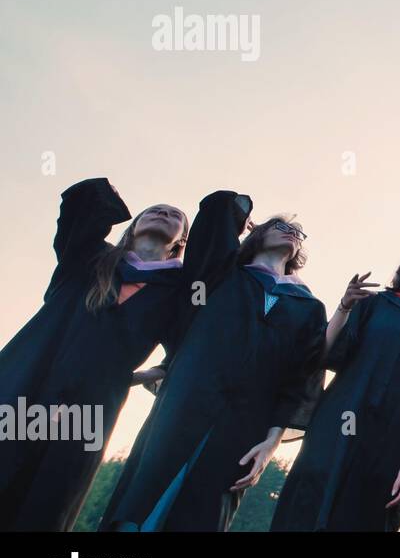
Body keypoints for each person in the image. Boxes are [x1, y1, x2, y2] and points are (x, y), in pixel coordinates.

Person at [100, 192, 326, 531]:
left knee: (206, 508)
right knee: (146, 497)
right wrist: (240, 211)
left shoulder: (309, 307)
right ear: (256, 232)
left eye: (298, 233)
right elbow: (215, 211)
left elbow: (301, 379)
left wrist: (272, 442)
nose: (291, 232)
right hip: (187, 400)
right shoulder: (219, 274)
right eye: (279, 225)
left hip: (247, 421)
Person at [0, 178, 189, 531]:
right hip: (26, 389)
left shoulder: (177, 291)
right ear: (133, 226)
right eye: (153, 210)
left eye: (175, 215)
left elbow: (190, 344)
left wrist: (151, 371)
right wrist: (114, 198)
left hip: (91, 407)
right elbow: (81, 204)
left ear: (181, 240)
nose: (164, 212)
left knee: (47, 501)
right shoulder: (87, 258)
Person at [272, 244, 400, 531]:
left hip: (394, 438)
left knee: (367, 509)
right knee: (313, 496)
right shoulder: (372, 304)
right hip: (339, 420)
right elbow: (327, 356)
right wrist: (344, 307)